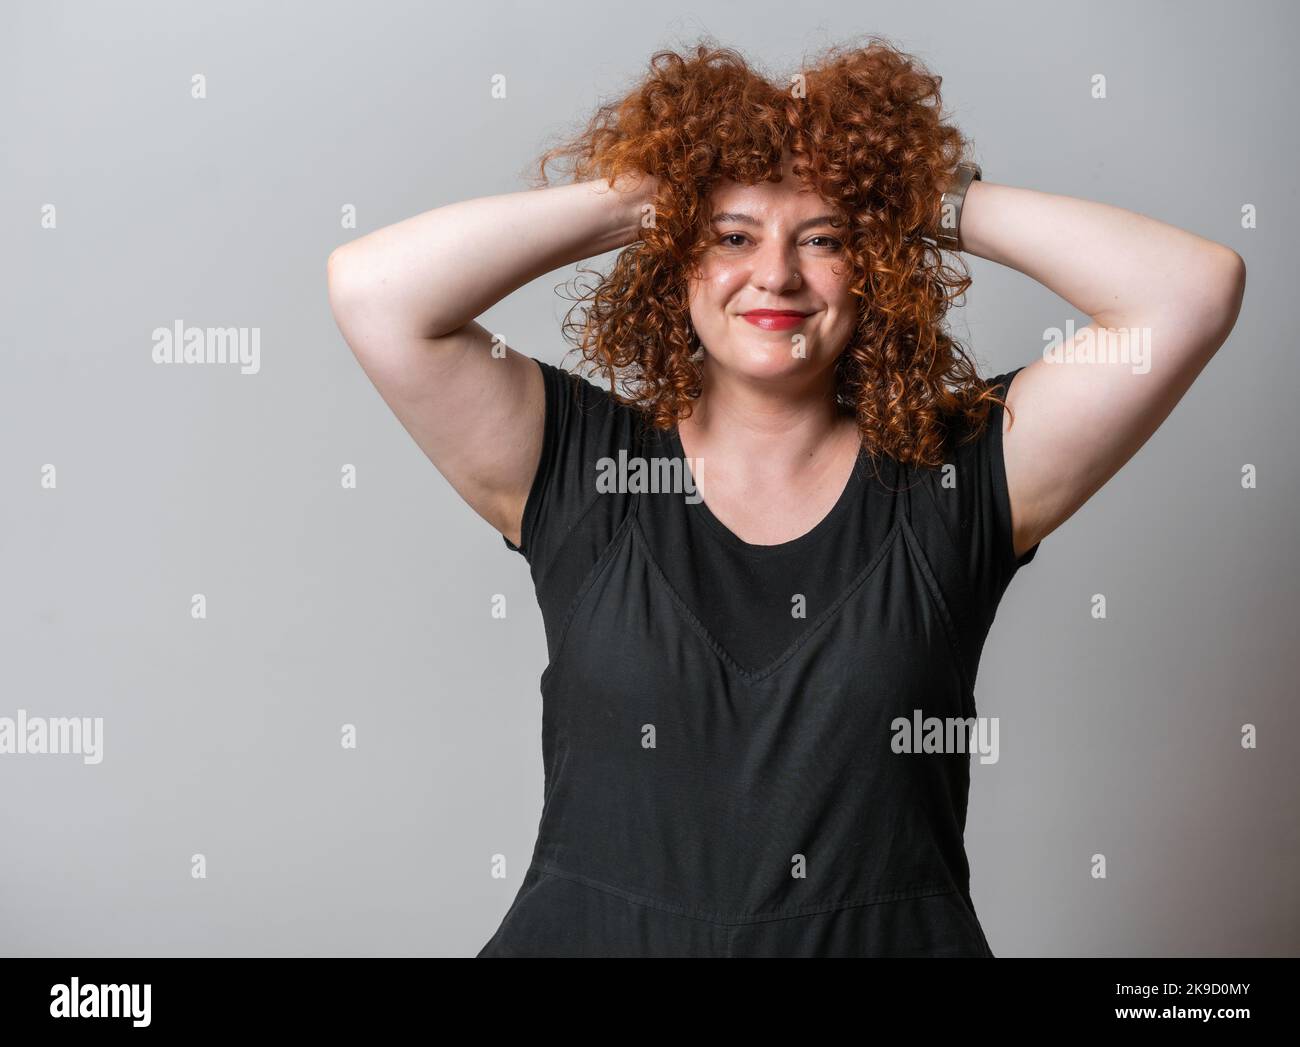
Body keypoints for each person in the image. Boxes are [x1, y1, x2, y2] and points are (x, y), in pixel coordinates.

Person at [325, 39, 1246, 957]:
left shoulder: (955, 480)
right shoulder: (580, 467)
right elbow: (377, 292)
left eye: (827, 237)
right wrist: (647, 194)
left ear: (877, 263)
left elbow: (1189, 291)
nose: (776, 274)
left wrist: (915, 196)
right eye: (731, 236)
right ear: (674, 255)